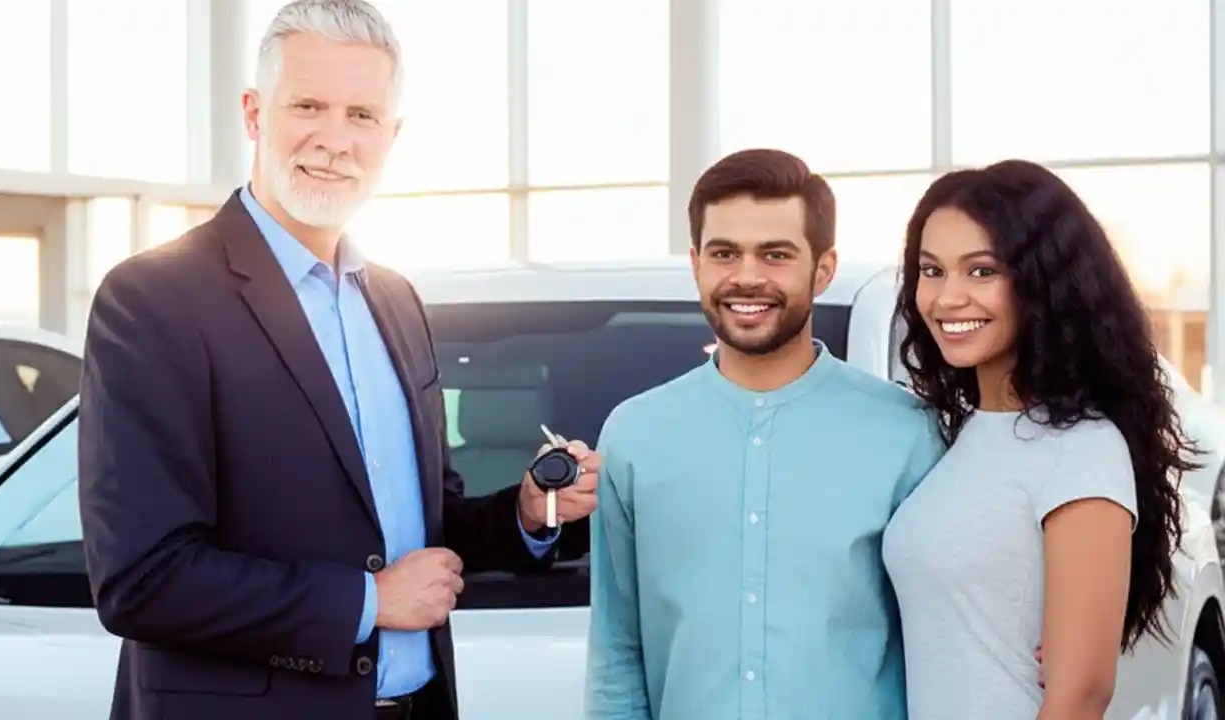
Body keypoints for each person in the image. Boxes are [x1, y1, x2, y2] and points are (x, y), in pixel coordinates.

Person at [76, 2, 599, 719]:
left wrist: (530, 514)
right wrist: (367, 602)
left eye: (362, 115)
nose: (334, 139)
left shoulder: (393, 299)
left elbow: (423, 531)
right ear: (255, 113)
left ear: (392, 134)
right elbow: (143, 577)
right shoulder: (155, 300)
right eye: (308, 106)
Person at [584, 148, 945, 719]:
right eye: (725, 253)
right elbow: (618, 650)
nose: (747, 277)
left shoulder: (907, 434)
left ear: (822, 269)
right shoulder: (634, 435)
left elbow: (942, 646)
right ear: (696, 262)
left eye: (775, 255)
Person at [881, 159, 1198, 719]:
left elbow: (1080, 696)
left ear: (1043, 282)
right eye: (932, 270)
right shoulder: (966, 435)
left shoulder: (1082, 450)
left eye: (981, 271)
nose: (947, 298)